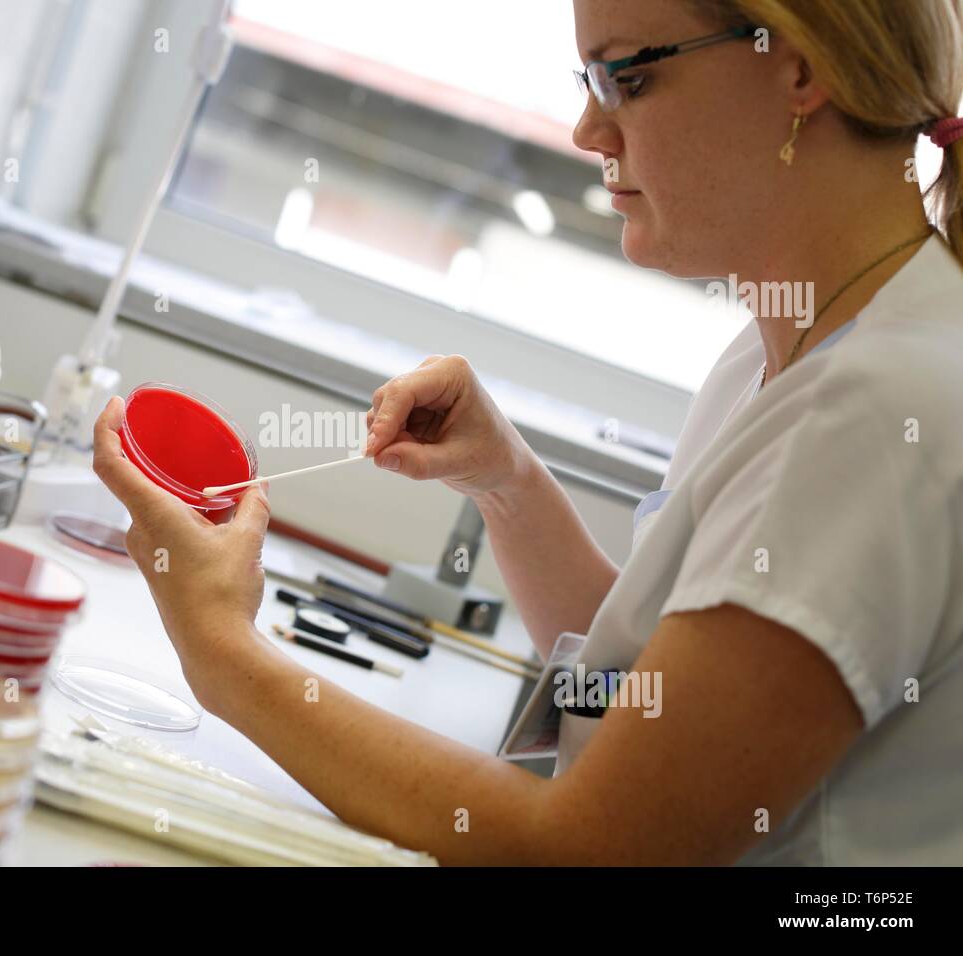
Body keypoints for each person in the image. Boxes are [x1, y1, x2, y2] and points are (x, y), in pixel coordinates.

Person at [92, 0, 963, 865]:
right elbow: (647, 692)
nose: (589, 129)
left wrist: (225, 656)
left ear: (798, 68)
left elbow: (591, 849)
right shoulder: (785, 347)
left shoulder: (875, 413)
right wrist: (505, 481)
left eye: (627, 76)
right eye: (588, 82)